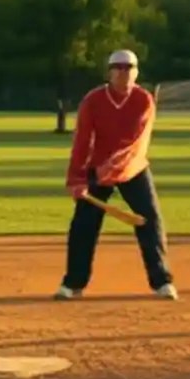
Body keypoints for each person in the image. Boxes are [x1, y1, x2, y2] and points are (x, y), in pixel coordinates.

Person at [56, 49, 177, 301]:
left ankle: (162, 282)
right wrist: (76, 179)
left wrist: (111, 169)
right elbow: (82, 141)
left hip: (133, 168)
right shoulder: (93, 100)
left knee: (150, 220)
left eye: (129, 67)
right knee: (83, 225)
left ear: (136, 72)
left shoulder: (143, 100)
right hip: (97, 168)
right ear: (109, 72)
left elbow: (135, 143)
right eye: (118, 67)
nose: (123, 72)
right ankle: (73, 283)